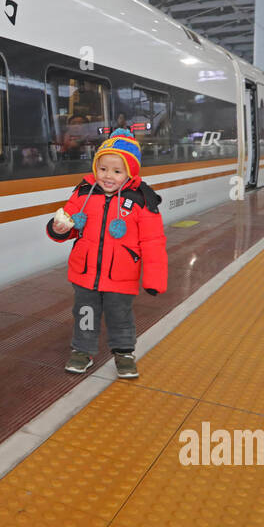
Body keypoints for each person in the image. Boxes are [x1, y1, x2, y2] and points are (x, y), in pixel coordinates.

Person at [47, 129, 168, 378]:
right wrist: (58, 229)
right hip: (85, 271)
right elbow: (69, 224)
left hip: (121, 275)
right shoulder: (83, 192)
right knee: (85, 313)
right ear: (95, 167)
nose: (108, 176)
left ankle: (123, 353)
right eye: (102, 169)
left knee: (119, 316)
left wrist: (154, 280)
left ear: (130, 172)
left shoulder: (142, 199)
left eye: (116, 171)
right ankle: (82, 351)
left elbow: (153, 242)